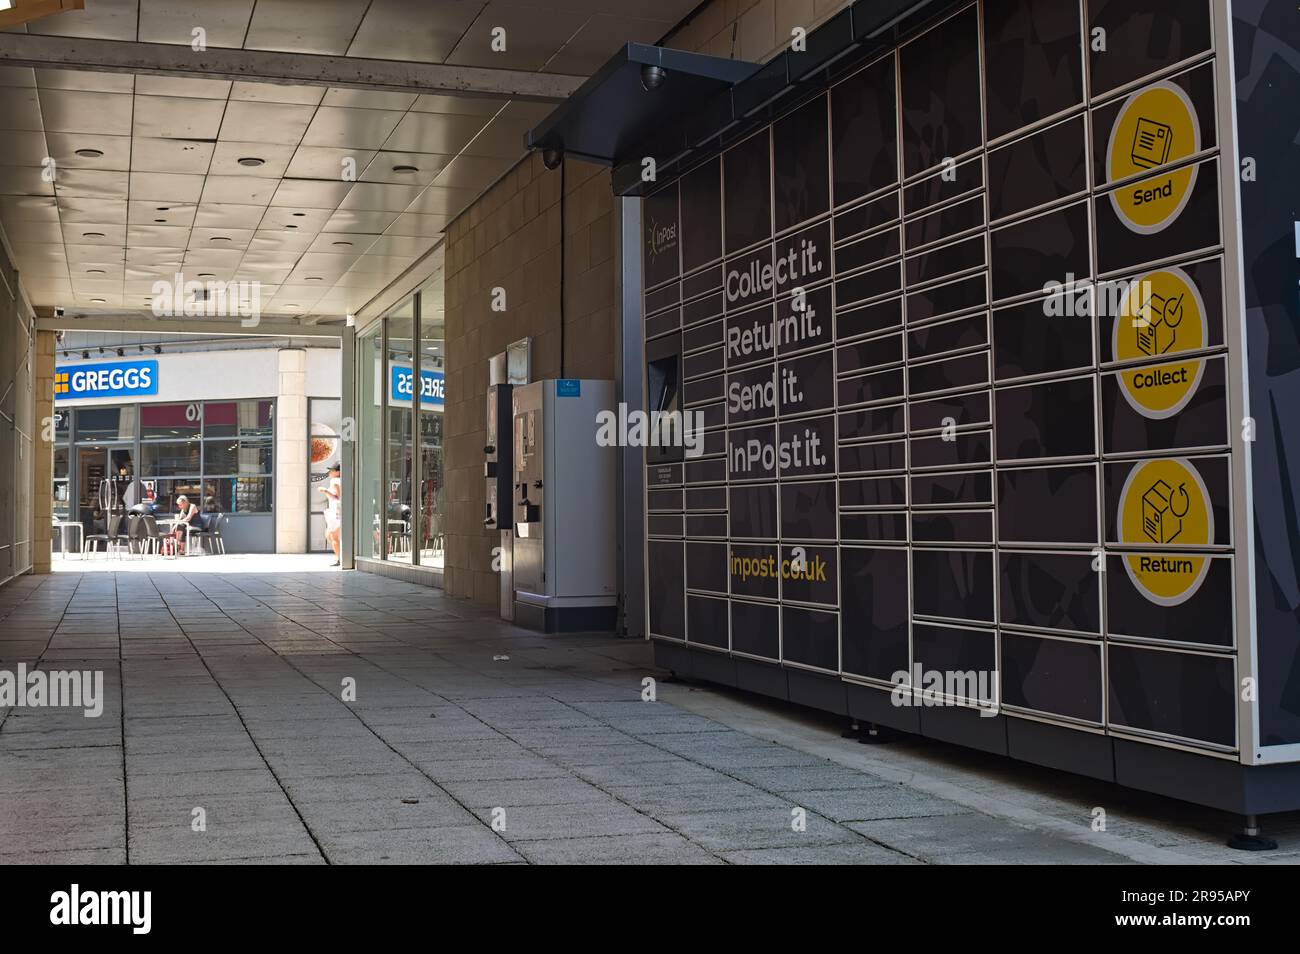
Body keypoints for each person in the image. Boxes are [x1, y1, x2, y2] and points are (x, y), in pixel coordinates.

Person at [320, 464, 342, 567]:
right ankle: (340, 557)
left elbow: (338, 497)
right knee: (329, 535)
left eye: (332, 470)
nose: (330, 472)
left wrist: (325, 491)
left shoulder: (335, 481)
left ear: (338, 472)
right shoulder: (337, 481)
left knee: (332, 535)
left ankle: (339, 559)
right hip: (336, 511)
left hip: (336, 512)